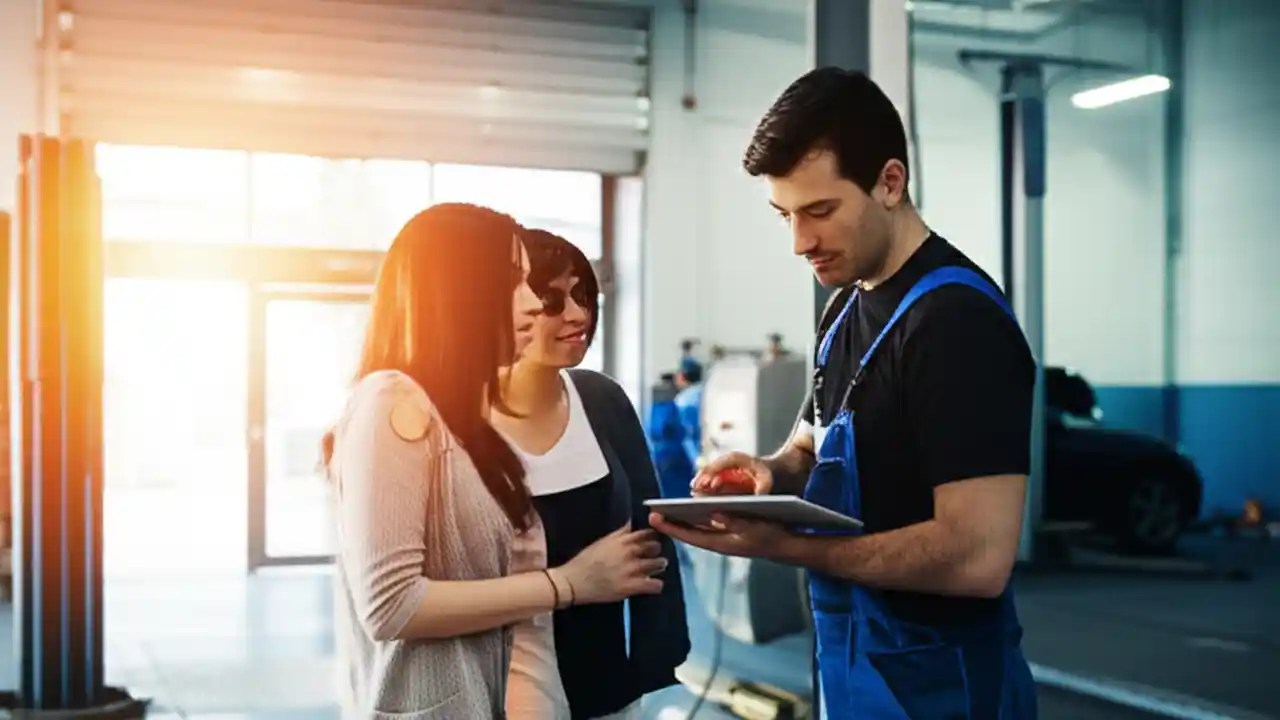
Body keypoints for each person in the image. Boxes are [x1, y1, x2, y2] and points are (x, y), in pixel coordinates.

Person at [650, 68, 1039, 718]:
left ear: (890, 182)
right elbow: (811, 446)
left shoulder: (956, 324)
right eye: (786, 216)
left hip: (946, 691)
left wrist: (784, 548)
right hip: (853, 671)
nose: (801, 242)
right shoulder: (845, 311)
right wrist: (766, 472)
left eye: (820, 212)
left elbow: (978, 558)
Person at [324, 204, 668, 719]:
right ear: (459, 293)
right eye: (517, 284)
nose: (535, 306)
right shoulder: (390, 399)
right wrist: (570, 583)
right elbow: (390, 604)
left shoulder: (450, 414)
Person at [492, 229, 689, 720]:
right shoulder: (458, 422)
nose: (578, 314)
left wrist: (652, 655)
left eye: (582, 294)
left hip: (606, 682)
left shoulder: (600, 399)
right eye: (552, 300)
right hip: (503, 688)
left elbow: (651, 531)